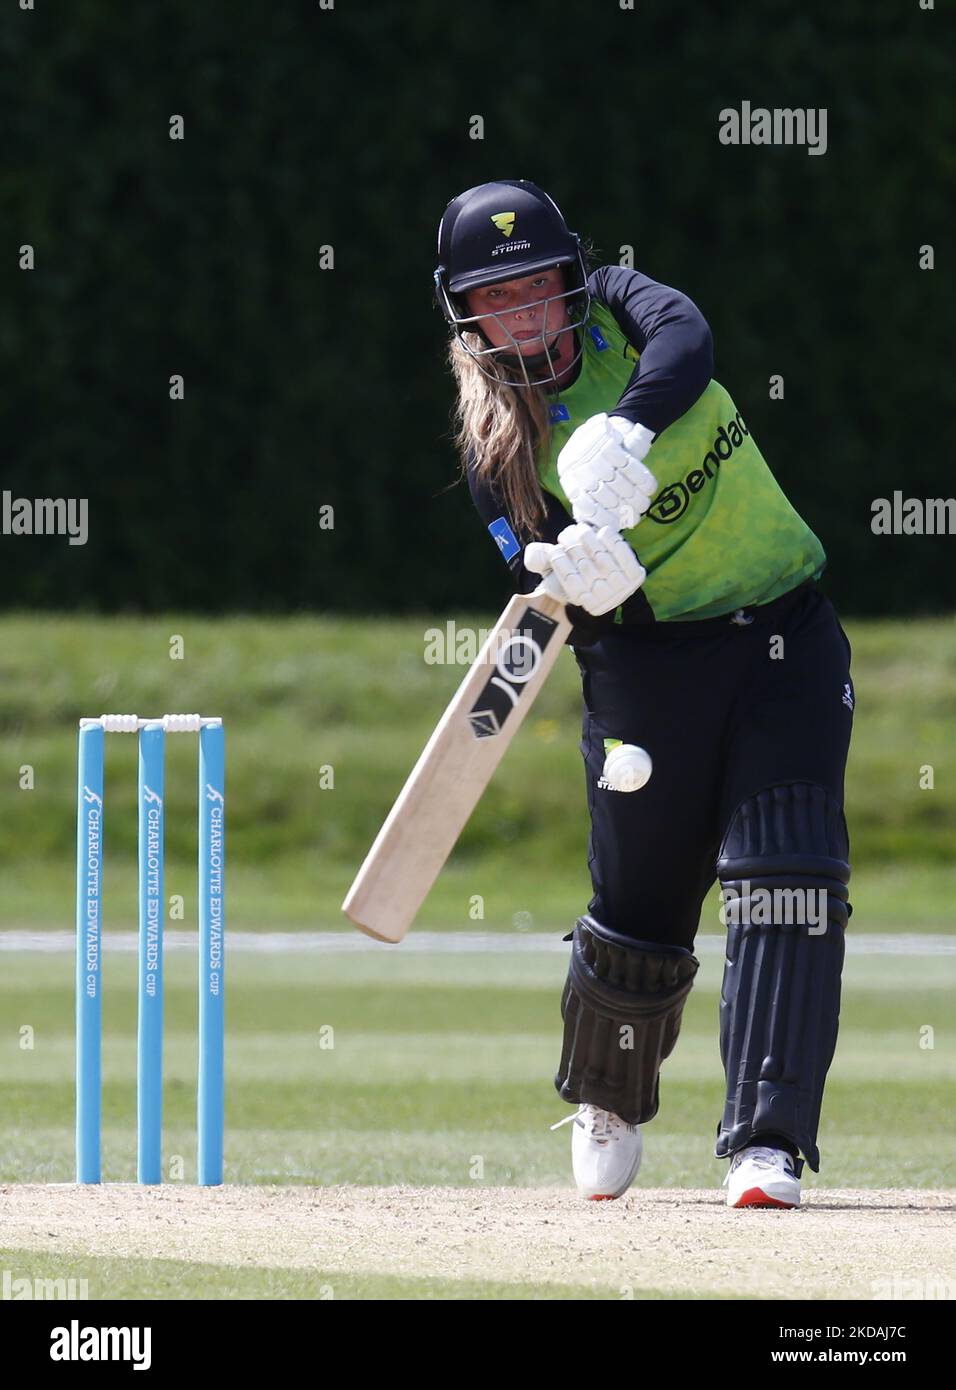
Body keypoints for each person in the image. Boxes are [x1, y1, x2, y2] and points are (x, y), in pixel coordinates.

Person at [434, 179, 854, 1208]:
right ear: (469, 317)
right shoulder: (499, 455)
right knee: (639, 907)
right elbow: (526, 582)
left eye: (540, 287)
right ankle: (608, 1096)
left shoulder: (628, 306)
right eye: (502, 301)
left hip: (782, 637)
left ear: (573, 277)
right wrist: (572, 582)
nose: (529, 316)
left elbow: (688, 336)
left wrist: (625, 430)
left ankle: (765, 1143)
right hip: (643, 672)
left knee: (785, 870)